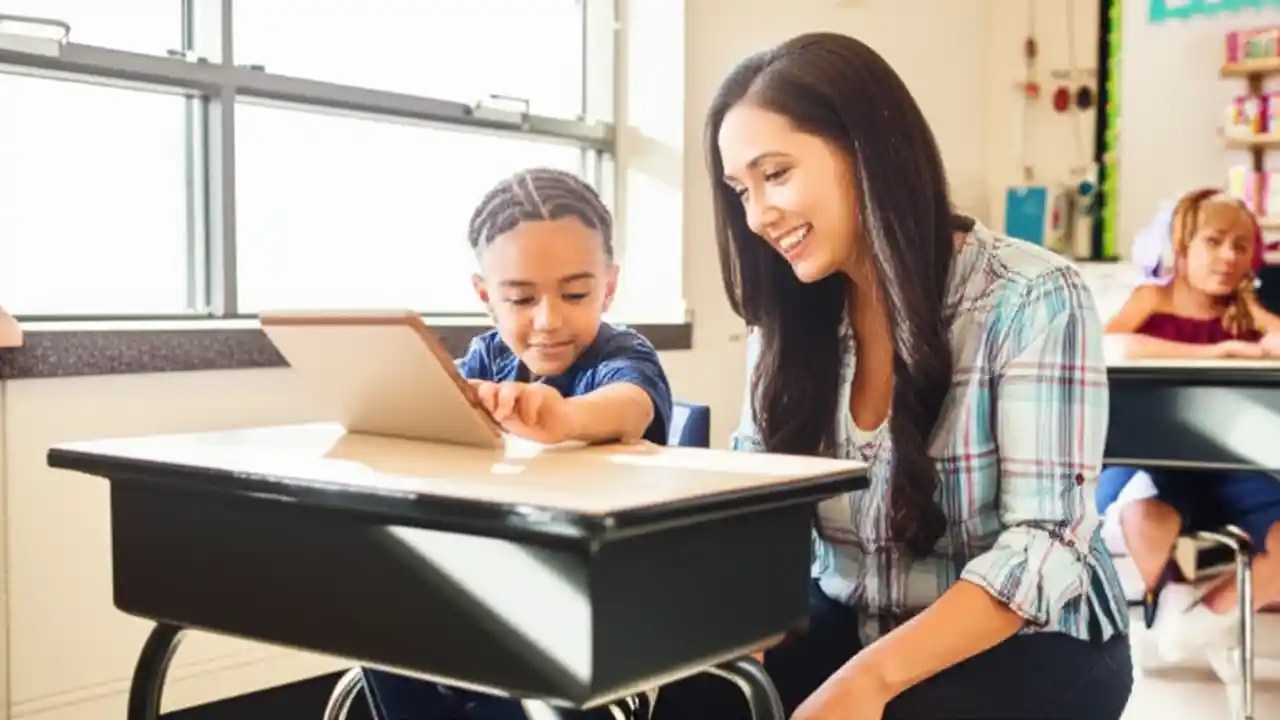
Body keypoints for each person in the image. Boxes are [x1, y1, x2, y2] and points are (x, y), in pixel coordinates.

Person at [653, 32, 1132, 720]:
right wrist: (744, 619)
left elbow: (1045, 543)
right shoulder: (784, 322)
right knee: (696, 693)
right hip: (854, 618)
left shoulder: (1031, 297)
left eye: (777, 174)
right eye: (741, 191)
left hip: (1031, 637)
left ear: (865, 150)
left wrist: (867, 684)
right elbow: (758, 504)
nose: (757, 216)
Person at [364, 167, 672, 720]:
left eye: (576, 293)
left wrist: (566, 417)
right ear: (486, 297)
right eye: (522, 298)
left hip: (589, 614)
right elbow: (428, 412)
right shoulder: (487, 359)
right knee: (375, 622)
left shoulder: (623, 355)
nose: (549, 320)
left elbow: (630, 404)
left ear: (609, 285)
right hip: (491, 597)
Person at [1098, 188, 1280, 667]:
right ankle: (1165, 603)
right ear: (1181, 245)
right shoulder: (1150, 299)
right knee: (1143, 517)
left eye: (1241, 247)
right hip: (1153, 461)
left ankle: (1205, 621)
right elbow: (1110, 347)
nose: (1228, 256)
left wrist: (1261, 332)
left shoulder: (1243, 315)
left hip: (1233, 469)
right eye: (1214, 241)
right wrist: (1215, 353)